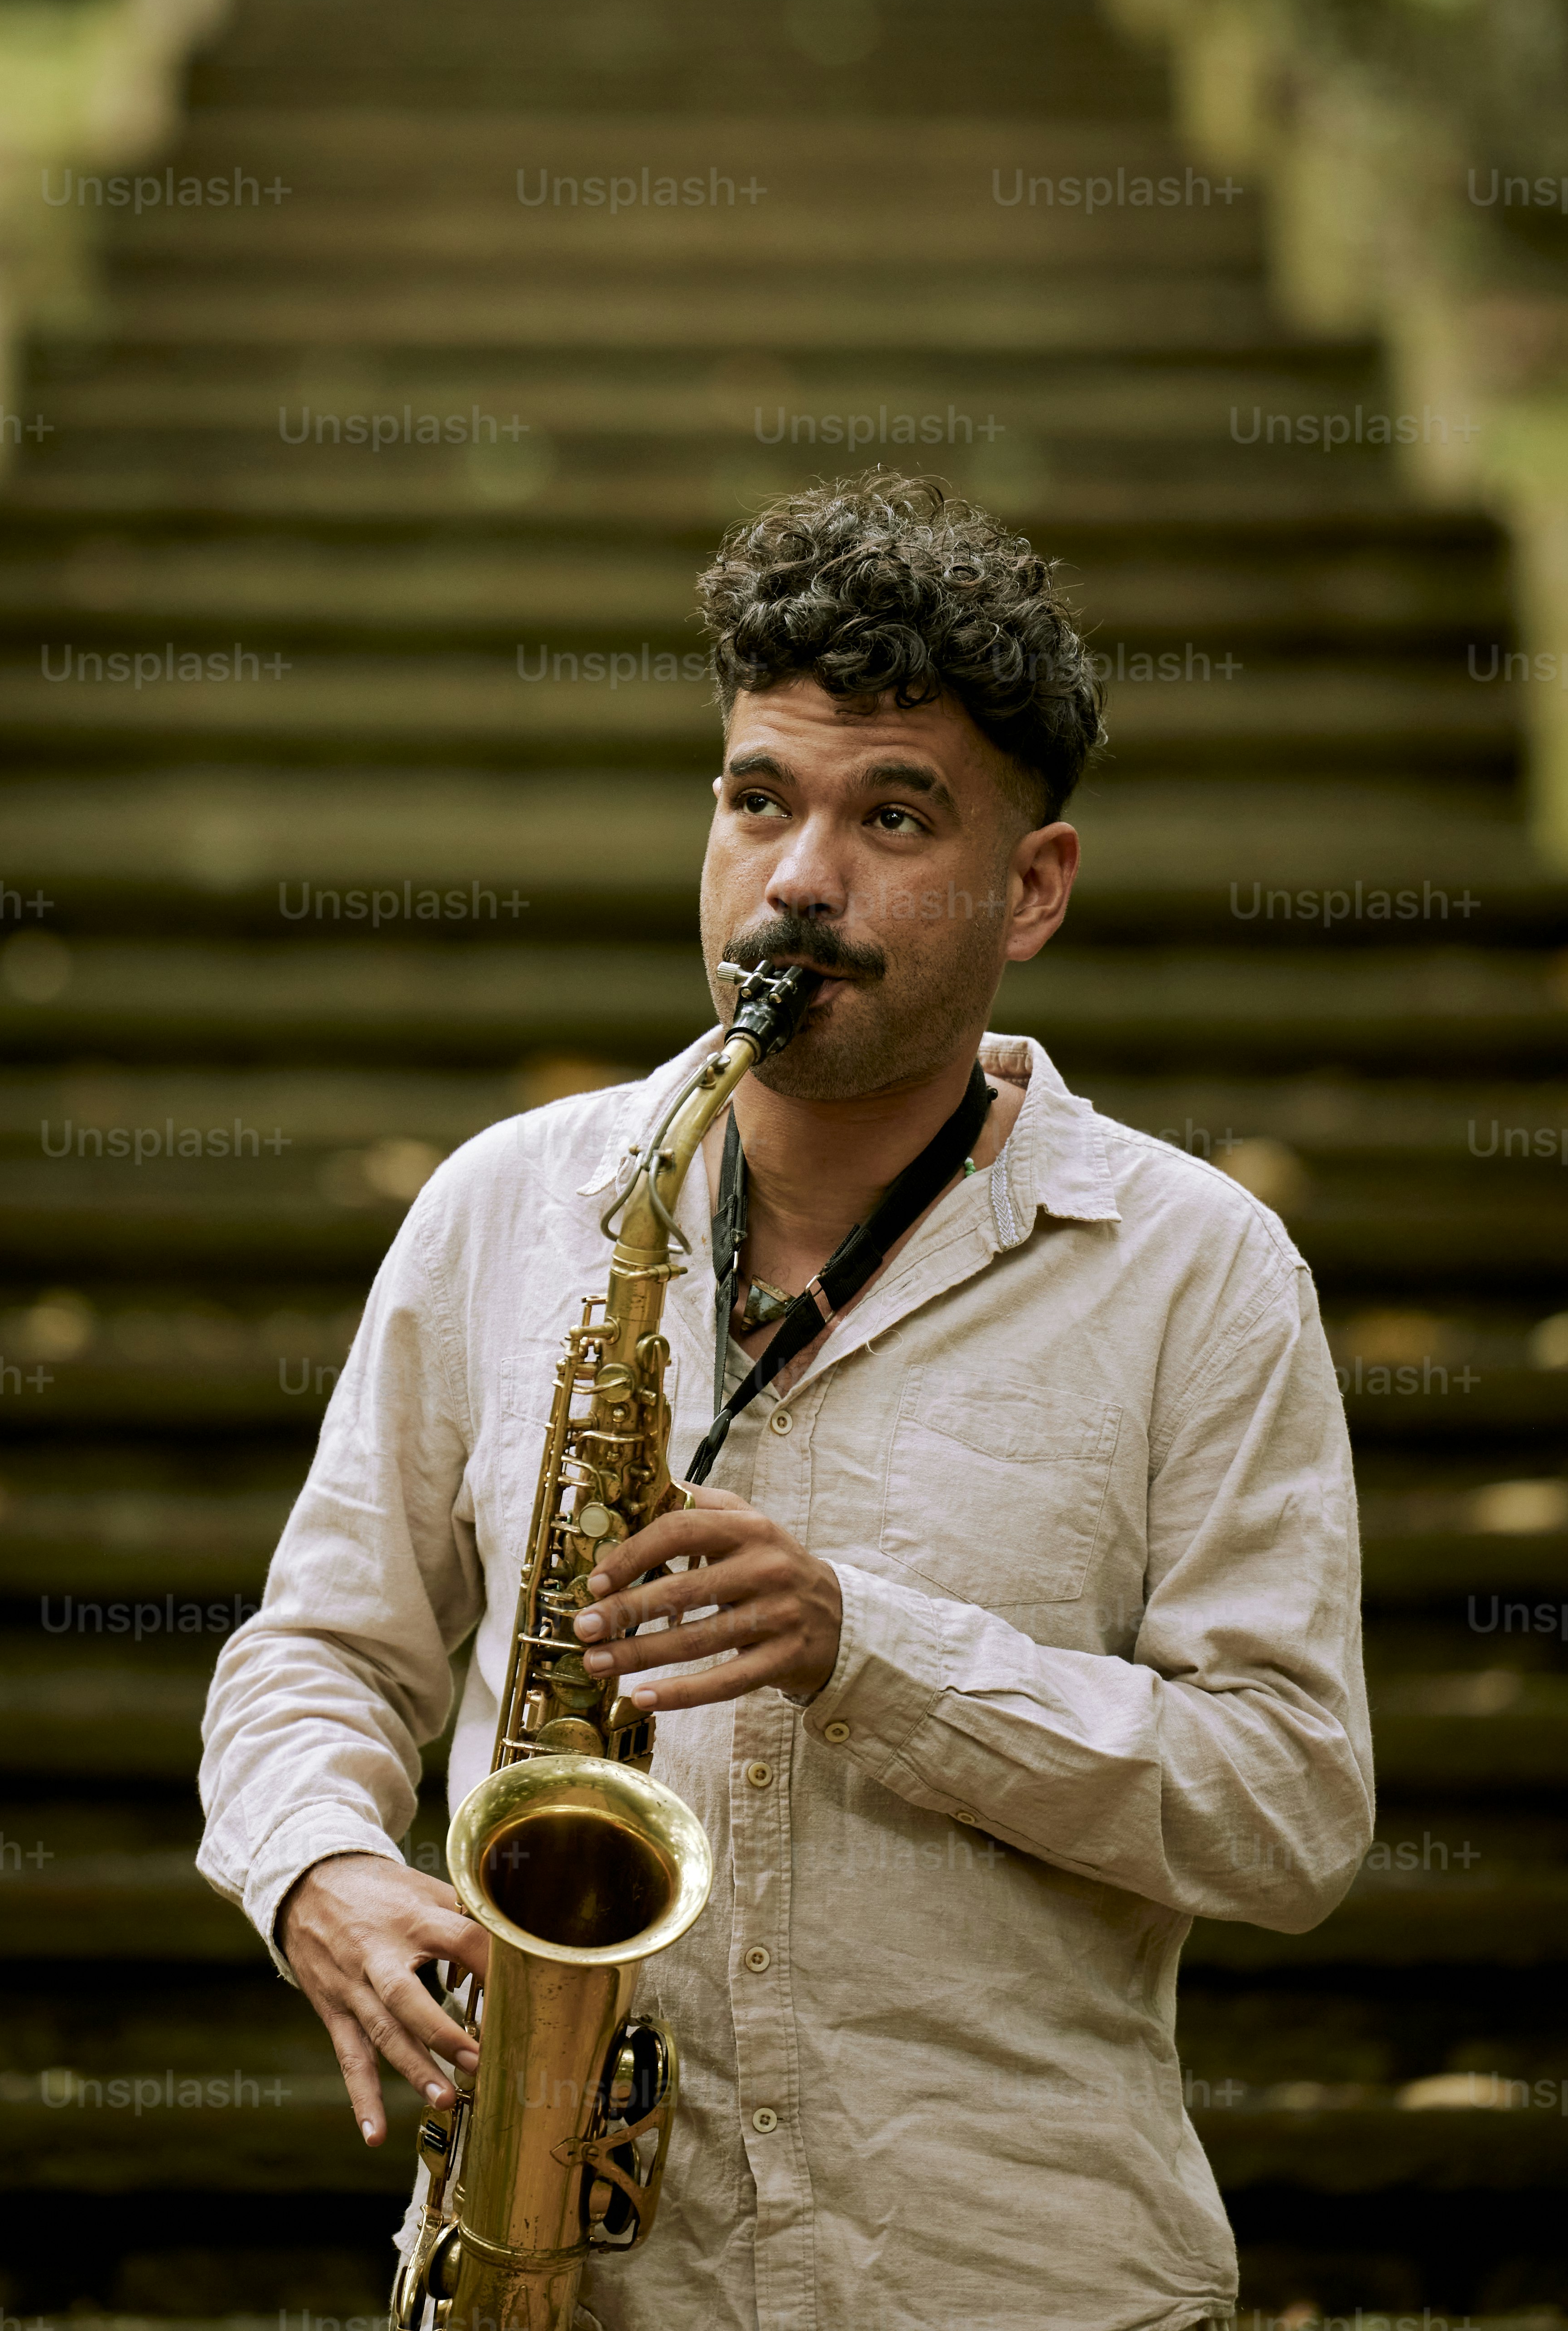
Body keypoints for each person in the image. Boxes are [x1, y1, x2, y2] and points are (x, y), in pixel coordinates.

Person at [199, 477, 1372, 2331]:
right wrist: (319, 1868)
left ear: (1034, 887)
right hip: (575, 2274)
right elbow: (319, 1653)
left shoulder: (1199, 1272)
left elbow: (1290, 1809)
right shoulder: (510, 1207)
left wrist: (868, 1649)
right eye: (759, 800)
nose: (799, 880)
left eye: (891, 816)